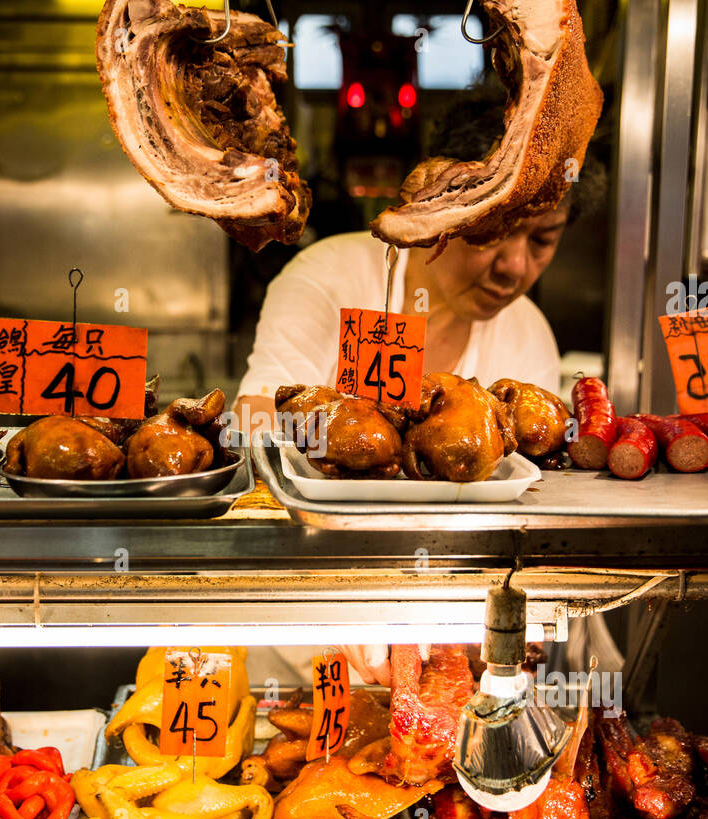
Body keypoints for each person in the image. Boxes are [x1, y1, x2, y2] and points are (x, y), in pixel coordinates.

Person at [234, 90, 609, 686]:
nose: (515, 267)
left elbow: (524, 507)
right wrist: (344, 584)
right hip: (305, 648)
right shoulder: (327, 278)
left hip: (444, 643)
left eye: (542, 240)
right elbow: (253, 423)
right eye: (492, 232)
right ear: (445, 207)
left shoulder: (529, 334)